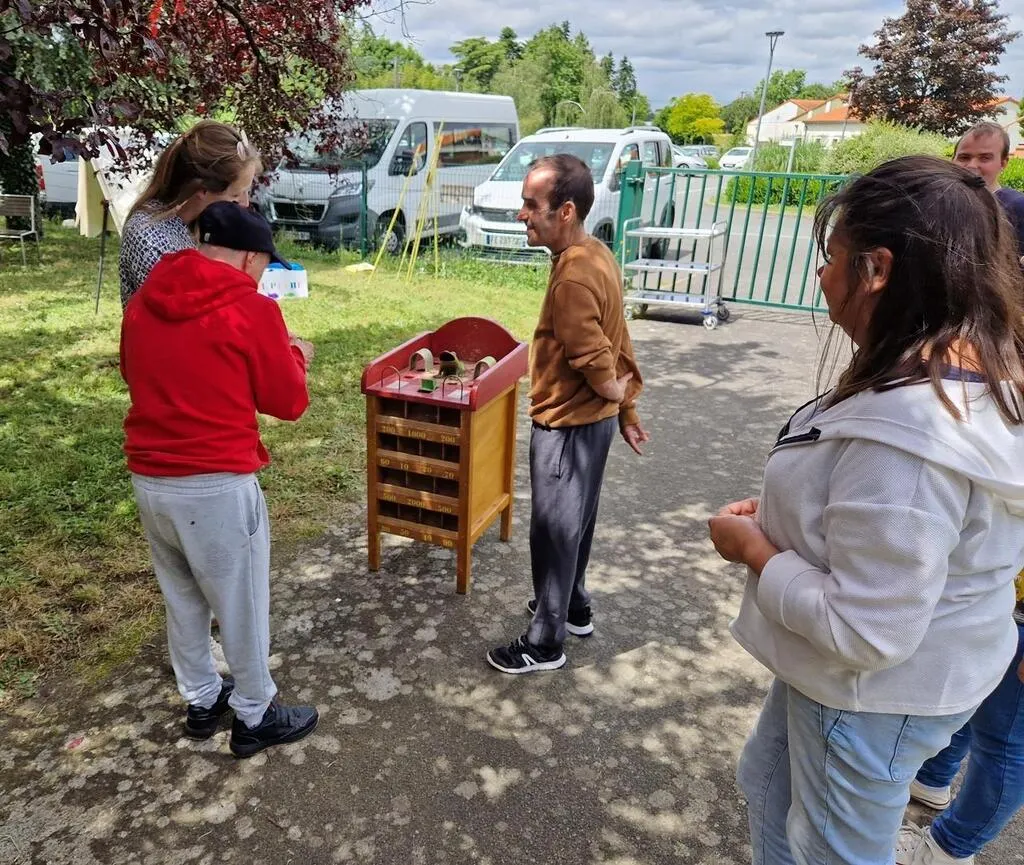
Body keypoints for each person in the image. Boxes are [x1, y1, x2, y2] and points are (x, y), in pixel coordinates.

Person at [708, 155, 1024, 864]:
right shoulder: (961, 373)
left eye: (832, 258)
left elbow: (866, 627)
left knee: (834, 850)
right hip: (853, 676)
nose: (822, 276)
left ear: (875, 270)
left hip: (866, 693)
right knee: (766, 779)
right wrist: (798, 513)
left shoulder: (913, 436)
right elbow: (900, 529)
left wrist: (757, 548)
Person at [120, 201, 318, 758]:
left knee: (182, 597)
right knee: (241, 602)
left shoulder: (143, 303)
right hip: (217, 482)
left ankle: (203, 700)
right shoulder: (251, 311)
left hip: (151, 477)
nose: (264, 275)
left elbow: (132, 371)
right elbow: (288, 401)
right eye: (264, 263)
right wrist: (296, 355)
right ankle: (255, 713)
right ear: (251, 257)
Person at [486, 154, 648, 675]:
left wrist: (610, 386)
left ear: (566, 211)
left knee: (553, 528)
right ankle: (572, 605)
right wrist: (623, 406)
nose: (522, 214)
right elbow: (617, 334)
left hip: (568, 424)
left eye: (531, 205)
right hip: (595, 421)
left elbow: (597, 351)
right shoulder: (595, 253)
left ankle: (545, 640)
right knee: (577, 521)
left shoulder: (574, 276)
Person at [119, 120, 261, 309]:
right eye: (235, 194)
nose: (245, 203)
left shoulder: (201, 226)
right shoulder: (150, 238)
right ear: (202, 190)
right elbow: (193, 319)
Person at [952, 121, 1024, 258]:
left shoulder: (1018, 207)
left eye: (985, 158)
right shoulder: (940, 203)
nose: (972, 166)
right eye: (964, 157)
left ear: (1003, 163)